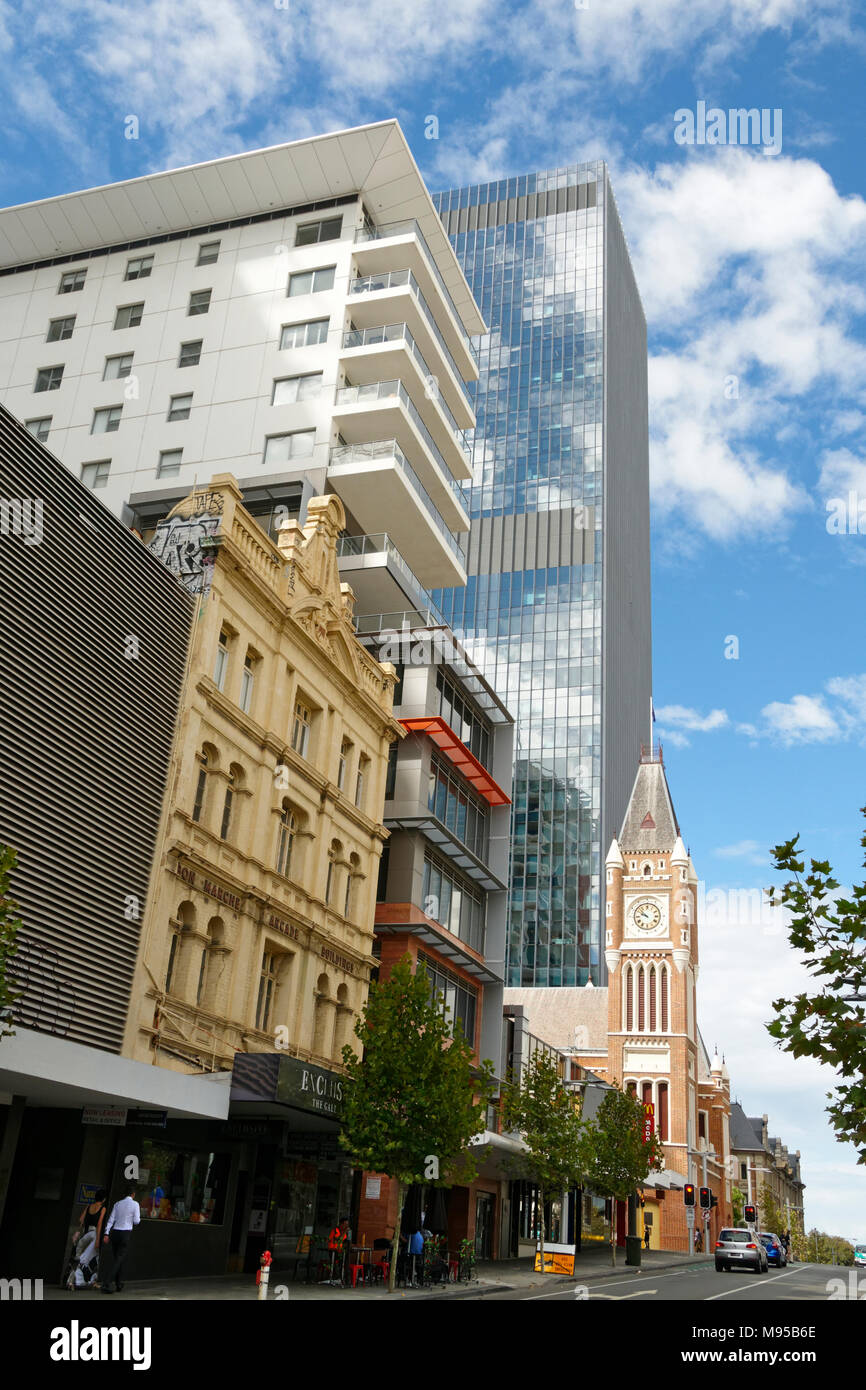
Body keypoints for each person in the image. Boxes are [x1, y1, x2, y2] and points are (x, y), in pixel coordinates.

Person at [102, 1183, 140, 1294]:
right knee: (119, 1259)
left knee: (118, 1259)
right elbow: (136, 1221)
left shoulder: (117, 1204)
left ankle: (119, 1283)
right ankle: (106, 1283)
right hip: (125, 1233)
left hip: (115, 1233)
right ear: (133, 1194)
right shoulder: (135, 1204)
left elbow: (111, 1219)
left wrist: (106, 1233)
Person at [69, 1188, 107, 1289]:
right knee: (92, 1258)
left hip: (85, 1234)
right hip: (94, 1234)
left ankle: (71, 1281)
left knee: (78, 1256)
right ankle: (85, 1281)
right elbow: (99, 1224)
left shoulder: (89, 1206)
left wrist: (77, 1232)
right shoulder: (102, 1208)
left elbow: (81, 1220)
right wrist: (98, 1240)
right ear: (103, 1199)